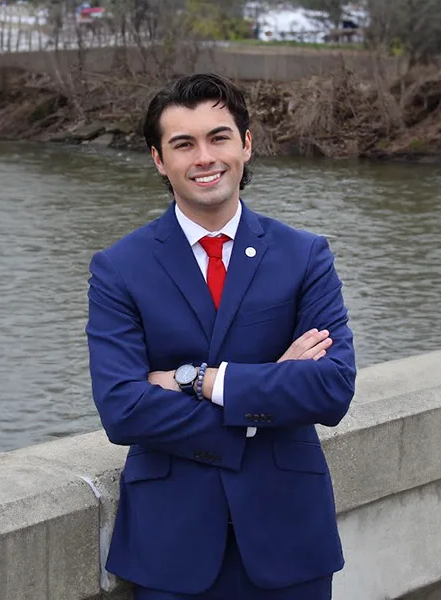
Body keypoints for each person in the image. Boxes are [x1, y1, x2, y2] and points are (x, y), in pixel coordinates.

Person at [85, 73, 356, 599]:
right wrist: (268, 392)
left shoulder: (304, 256)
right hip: (170, 545)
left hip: (289, 538)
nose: (204, 157)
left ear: (246, 145)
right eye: (183, 144)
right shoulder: (119, 268)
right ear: (159, 160)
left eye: (219, 137)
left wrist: (198, 380)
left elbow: (331, 388)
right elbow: (122, 409)